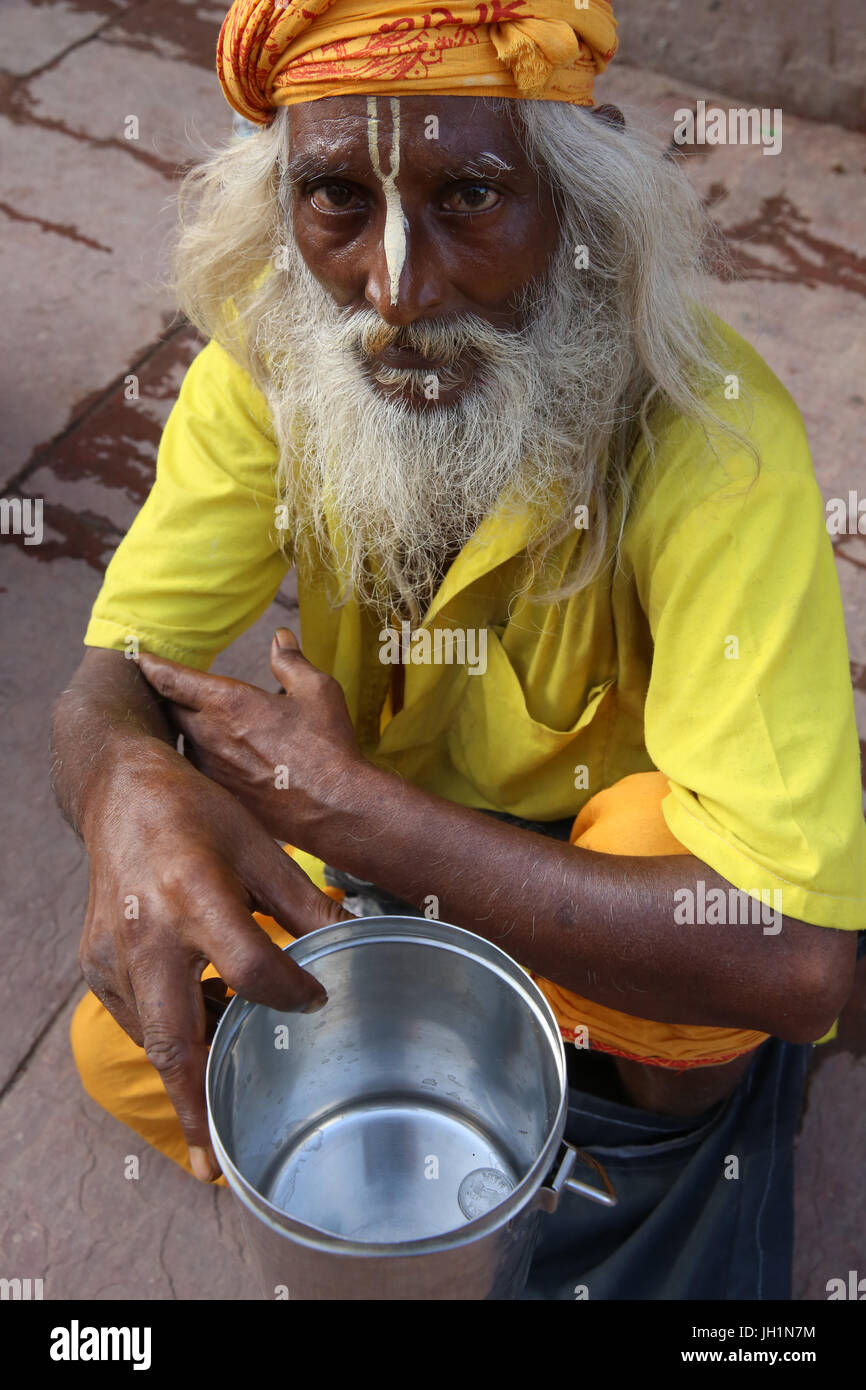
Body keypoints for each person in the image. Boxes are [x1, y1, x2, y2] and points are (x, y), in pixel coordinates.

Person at [50, 0, 865, 1299]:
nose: (396, 290)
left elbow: (801, 954)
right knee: (127, 1037)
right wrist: (124, 788)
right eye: (334, 198)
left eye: (466, 196)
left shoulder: (713, 439)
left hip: (609, 892)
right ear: (284, 205)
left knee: (697, 942)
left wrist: (362, 817)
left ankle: (647, 1131)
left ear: (572, 202)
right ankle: (420, 1230)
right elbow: (111, 677)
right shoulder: (271, 371)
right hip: (374, 872)